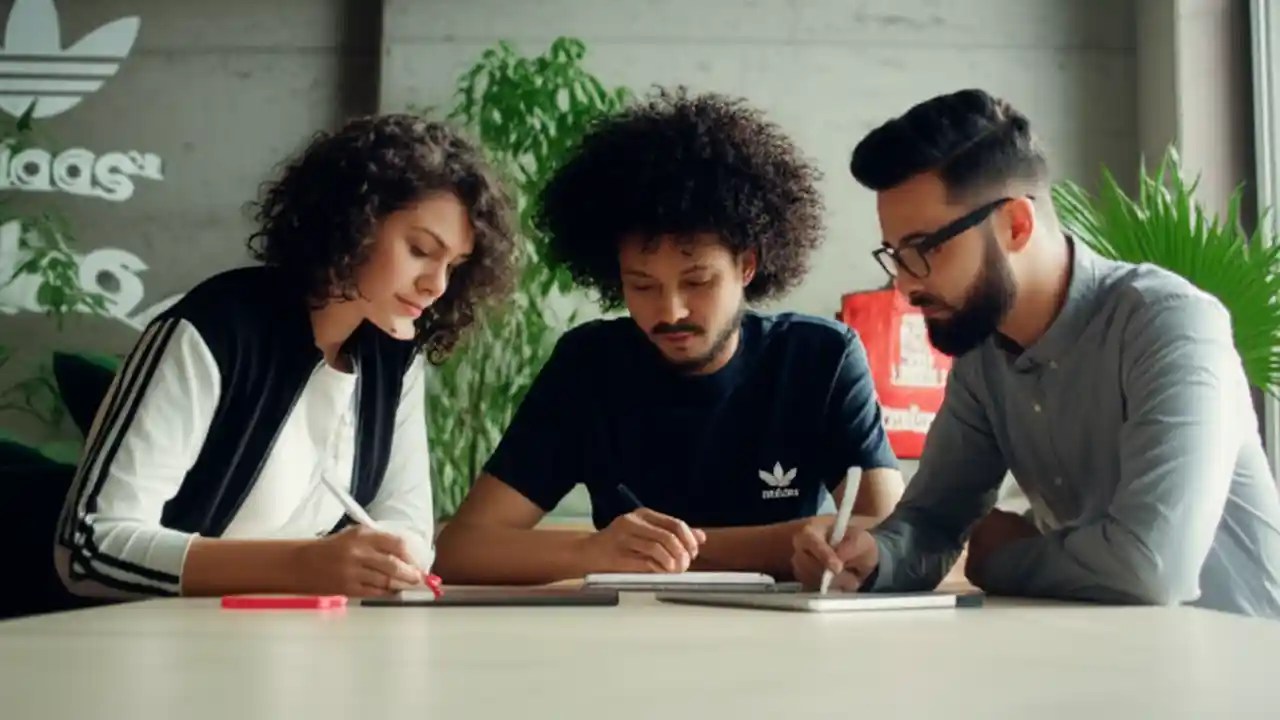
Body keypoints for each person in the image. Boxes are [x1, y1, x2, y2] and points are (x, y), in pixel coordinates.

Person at [791, 88, 1280, 619]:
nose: (905, 286)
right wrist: (872, 558)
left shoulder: (1171, 323)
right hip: (1108, 651)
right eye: (896, 255)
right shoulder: (982, 354)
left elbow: (1151, 566)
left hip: (1240, 653)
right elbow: (932, 522)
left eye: (925, 249)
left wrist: (999, 559)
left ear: (1016, 225)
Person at [433, 88, 904, 585]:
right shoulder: (591, 366)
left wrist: (666, 552)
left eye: (697, 282)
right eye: (642, 286)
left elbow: (891, 535)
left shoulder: (819, 358)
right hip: (630, 628)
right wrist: (591, 551)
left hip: (780, 627)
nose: (671, 311)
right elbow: (461, 550)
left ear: (747, 265)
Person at [54, 115, 517, 599]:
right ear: (353, 221)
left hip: (299, 634)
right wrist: (299, 566)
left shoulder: (394, 354)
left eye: (454, 266)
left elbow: (406, 522)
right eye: (420, 250)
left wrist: (394, 558)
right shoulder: (216, 329)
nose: (437, 285)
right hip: (153, 635)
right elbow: (88, 548)